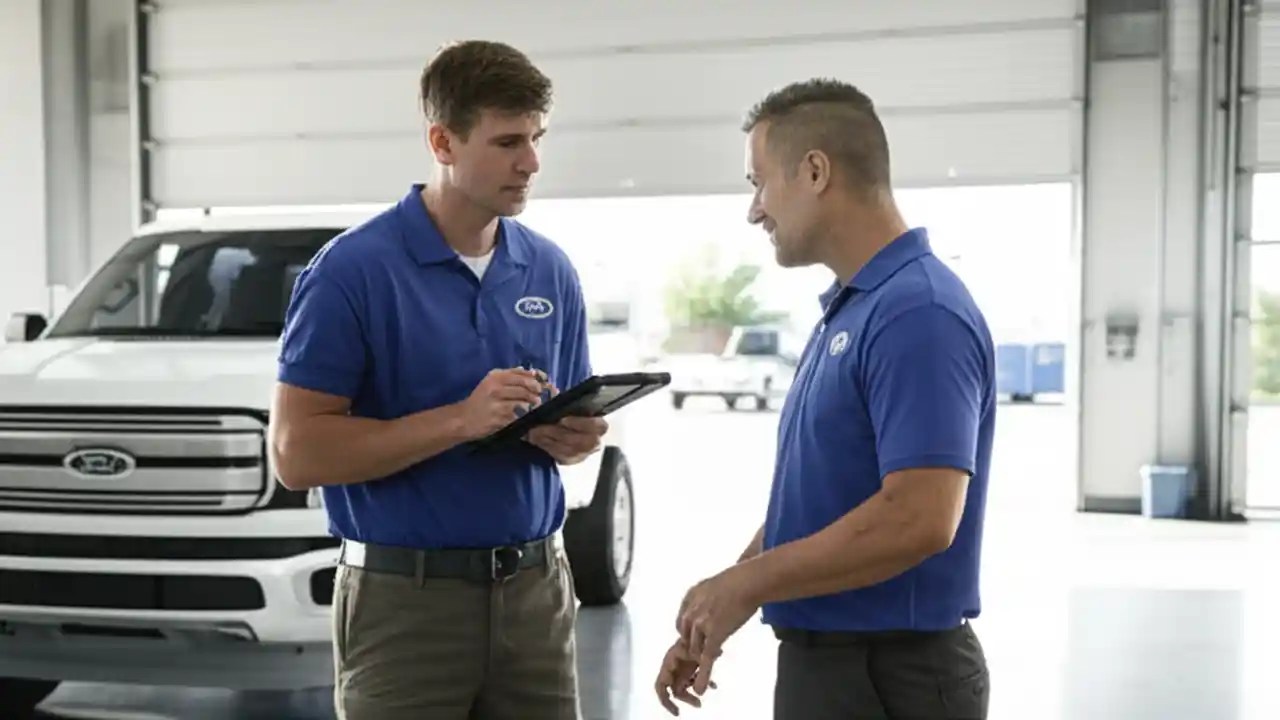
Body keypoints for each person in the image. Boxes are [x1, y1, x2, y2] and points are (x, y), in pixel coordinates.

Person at [268, 39, 607, 720]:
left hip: (537, 595)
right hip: (404, 605)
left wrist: (573, 439)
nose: (531, 162)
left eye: (537, 138)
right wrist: (459, 420)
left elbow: (567, 421)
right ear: (443, 142)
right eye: (508, 141)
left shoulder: (550, 270)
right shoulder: (351, 272)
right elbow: (296, 456)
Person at [654, 78, 997, 719]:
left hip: (890, 674)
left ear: (815, 171)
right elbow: (821, 499)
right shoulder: (856, 310)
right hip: (837, 664)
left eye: (759, 182)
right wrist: (728, 598)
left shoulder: (918, 313)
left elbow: (919, 516)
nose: (754, 210)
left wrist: (748, 582)